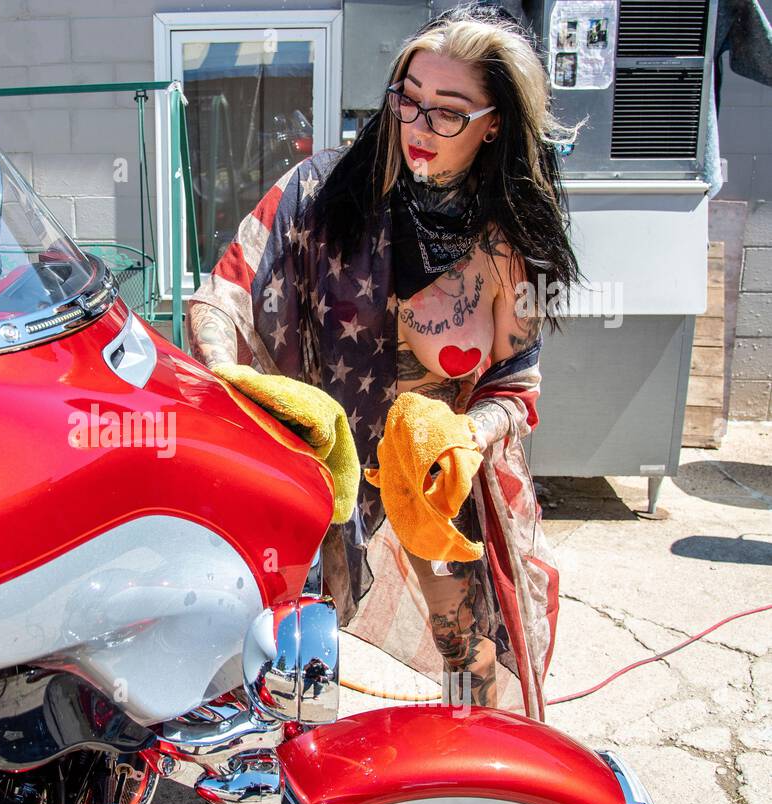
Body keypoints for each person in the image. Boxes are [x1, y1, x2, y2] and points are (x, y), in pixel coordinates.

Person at [188, 4, 580, 719]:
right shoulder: (321, 193)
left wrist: (465, 436)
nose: (419, 126)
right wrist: (227, 374)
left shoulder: (505, 244)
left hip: (437, 487)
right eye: (409, 100)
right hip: (327, 476)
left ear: (494, 123)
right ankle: (312, 798)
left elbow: (517, 387)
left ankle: (468, 780)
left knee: (469, 657)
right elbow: (225, 293)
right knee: (307, 655)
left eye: (450, 113)